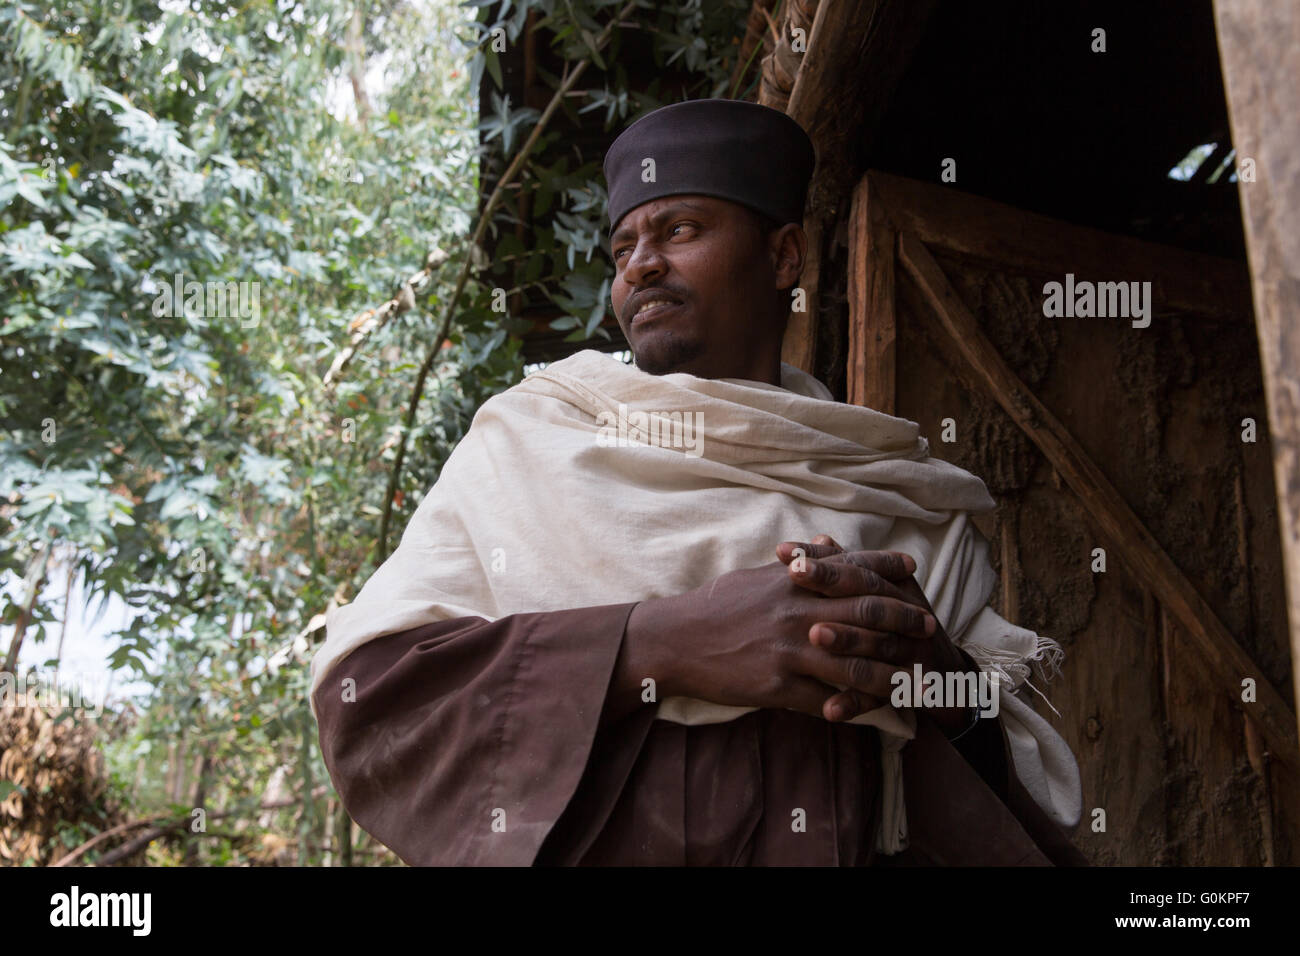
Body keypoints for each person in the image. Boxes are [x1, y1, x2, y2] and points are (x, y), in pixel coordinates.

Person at [310, 98, 1085, 866]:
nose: (642, 263)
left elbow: (1012, 813)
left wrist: (935, 679)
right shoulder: (529, 443)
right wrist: (659, 643)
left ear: (784, 256)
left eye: (679, 231)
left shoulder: (894, 491)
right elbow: (373, 704)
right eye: (622, 249)